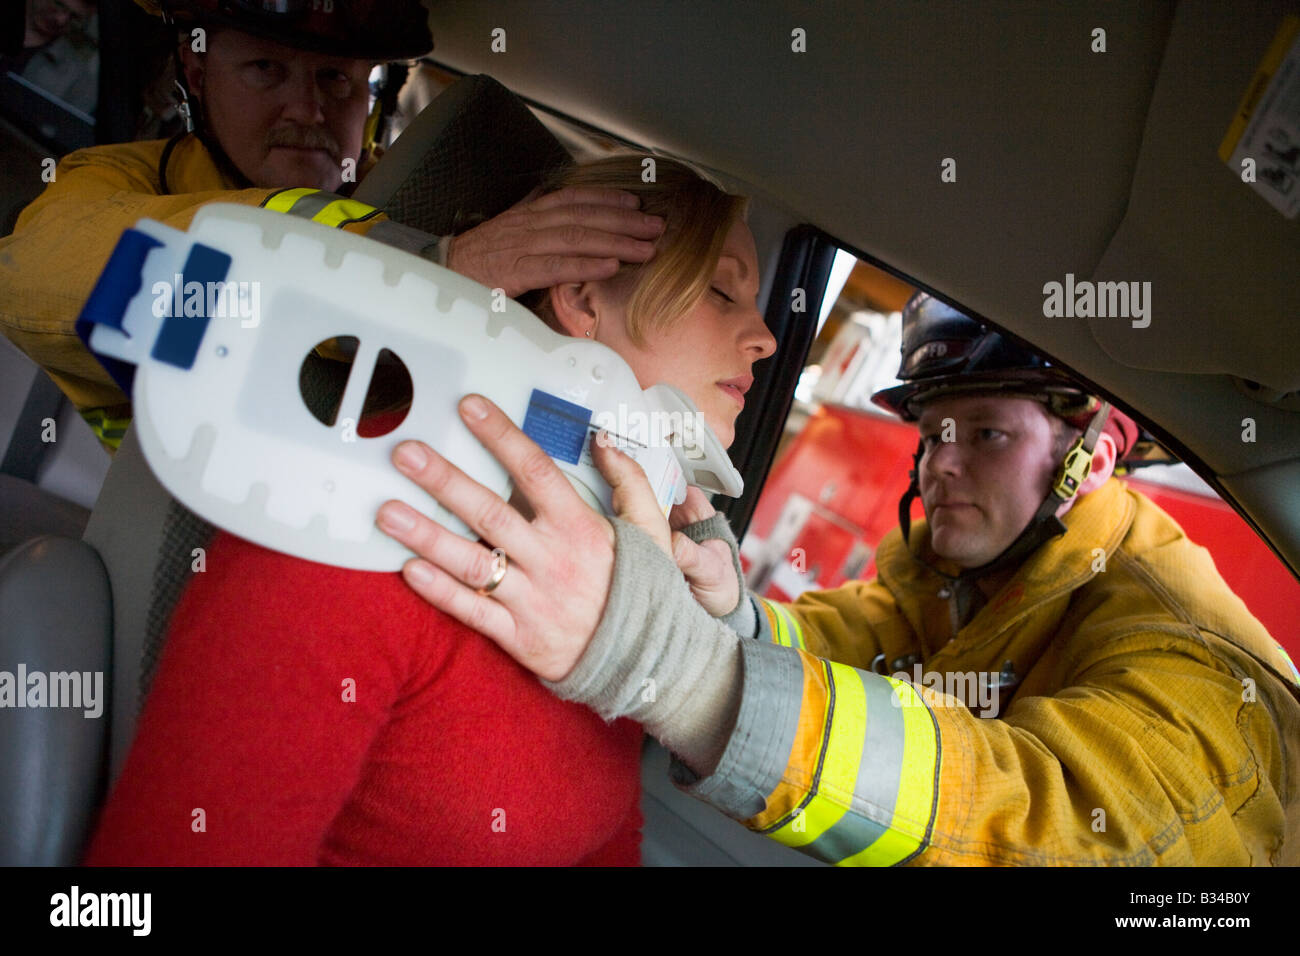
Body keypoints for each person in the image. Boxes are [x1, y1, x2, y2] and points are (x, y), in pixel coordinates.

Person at [379, 292, 1300, 866]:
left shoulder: (1192, 659)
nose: (940, 465)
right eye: (933, 434)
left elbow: (1057, 822)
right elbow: (843, 644)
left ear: (1091, 458)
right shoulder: (959, 575)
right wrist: (726, 610)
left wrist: (680, 669)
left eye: (985, 434)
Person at [83, 155, 778, 865]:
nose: (766, 339)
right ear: (582, 296)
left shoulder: (615, 603)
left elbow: (608, 842)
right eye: (723, 292)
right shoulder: (349, 534)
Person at [0, 0, 664, 449]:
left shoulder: (434, 211)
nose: (308, 108)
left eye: (336, 80)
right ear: (197, 73)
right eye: (266, 69)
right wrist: (423, 274)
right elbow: (34, 275)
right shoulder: (113, 184)